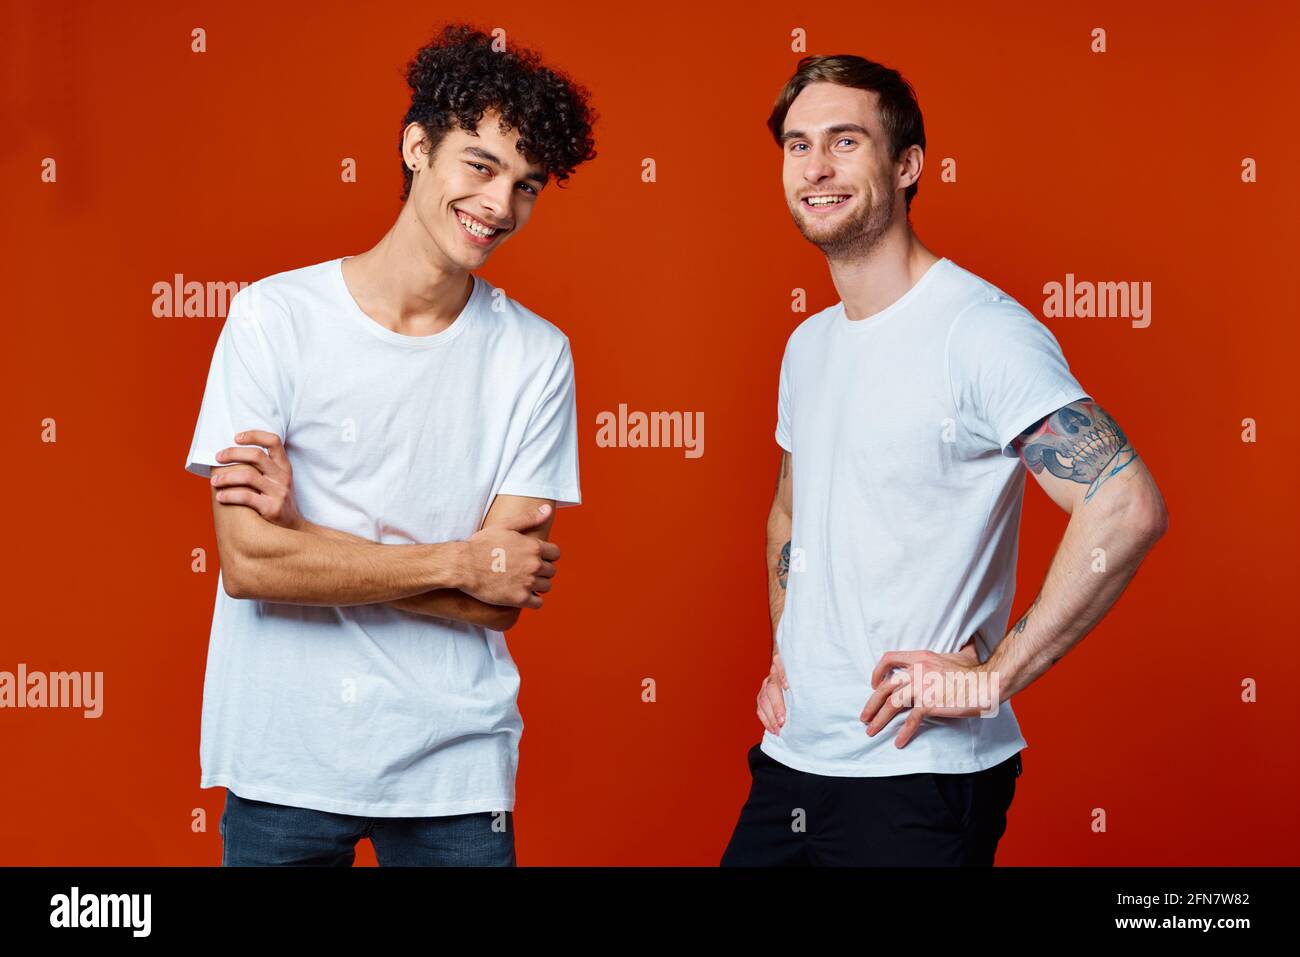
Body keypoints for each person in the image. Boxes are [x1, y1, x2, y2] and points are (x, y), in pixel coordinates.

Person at [720, 54, 1168, 866]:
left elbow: (1125, 501)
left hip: (916, 774)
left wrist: (995, 673)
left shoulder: (979, 332)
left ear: (907, 164)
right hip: (791, 761)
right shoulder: (808, 344)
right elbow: (790, 512)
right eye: (797, 145)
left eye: (844, 140)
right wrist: (793, 654)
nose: (815, 167)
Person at [182, 23, 596, 866]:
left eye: (526, 185)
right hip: (283, 756)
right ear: (417, 146)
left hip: (455, 770)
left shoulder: (536, 353)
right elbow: (249, 566)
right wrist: (453, 561)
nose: (499, 205)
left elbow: (500, 597)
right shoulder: (275, 318)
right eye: (480, 166)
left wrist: (305, 538)